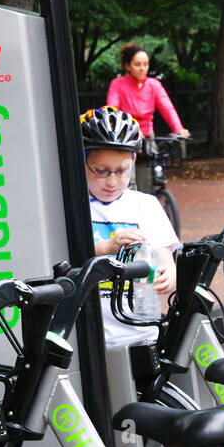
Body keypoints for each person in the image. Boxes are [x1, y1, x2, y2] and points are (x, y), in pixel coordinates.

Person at [80, 106, 180, 349]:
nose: (112, 181)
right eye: (101, 171)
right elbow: (63, 258)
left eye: (123, 170)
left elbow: (168, 263)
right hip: (89, 340)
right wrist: (108, 246)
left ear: (134, 161)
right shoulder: (71, 207)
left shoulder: (145, 205)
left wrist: (170, 277)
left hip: (142, 335)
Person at [106, 44, 190, 141]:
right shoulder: (117, 84)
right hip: (125, 137)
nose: (142, 68)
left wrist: (178, 128)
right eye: (137, 65)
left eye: (145, 64)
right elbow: (112, 109)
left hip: (148, 136)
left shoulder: (154, 85)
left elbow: (167, 108)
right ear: (128, 66)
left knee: (155, 155)